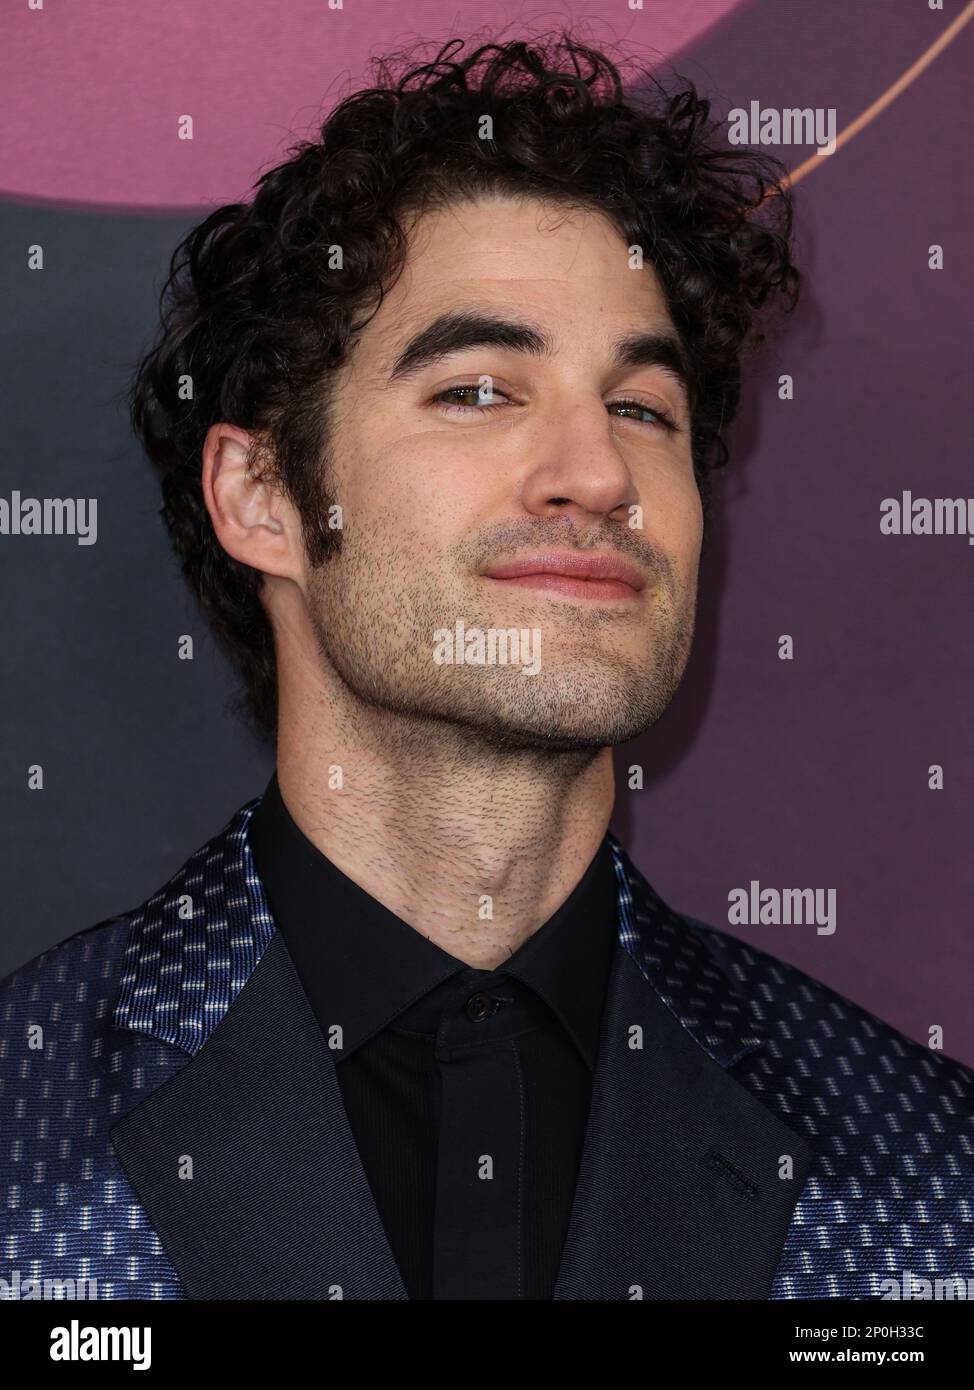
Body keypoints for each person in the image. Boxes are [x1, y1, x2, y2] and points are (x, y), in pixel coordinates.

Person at [2, 34, 971, 1302]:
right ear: (261, 495)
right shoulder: (28, 1132)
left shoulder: (928, 1184)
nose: (597, 472)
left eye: (642, 408)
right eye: (476, 391)